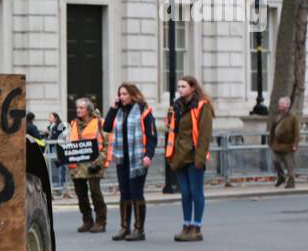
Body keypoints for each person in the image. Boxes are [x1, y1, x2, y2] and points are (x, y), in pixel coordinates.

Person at [103, 84, 157, 242]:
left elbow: (152, 136)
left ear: (133, 95)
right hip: (122, 159)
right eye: (120, 94)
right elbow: (106, 127)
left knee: (136, 193)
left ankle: (139, 229)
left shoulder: (143, 110)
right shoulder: (119, 111)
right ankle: (124, 227)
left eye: (125, 94)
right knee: (124, 193)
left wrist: (149, 155)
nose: (121, 97)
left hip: (138, 158)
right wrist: (113, 108)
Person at [166, 75, 215, 242]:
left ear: (193, 88)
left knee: (196, 192)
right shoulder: (177, 106)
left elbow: (204, 135)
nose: (180, 89)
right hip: (180, 155)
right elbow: (173, 130)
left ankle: (196, 227)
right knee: (185, 193)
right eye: (179, 86)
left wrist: (200, 159)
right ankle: (186, 225)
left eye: (183, 86)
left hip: (194, 156)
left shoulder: (203, 106)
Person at [67, 98, 108, 233]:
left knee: (95, 193)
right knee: (81, 195)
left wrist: (99, 163)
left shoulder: (100, 123)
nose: (78, 110)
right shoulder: (73, 124)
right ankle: (87, 221)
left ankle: (100, 221)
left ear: (89, 110)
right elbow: (69, 145)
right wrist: (65, 159)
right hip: (78, 166)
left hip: (94, 164)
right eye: (77, 108)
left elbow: (107, 146)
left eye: (82, 108)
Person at [268, 96, 299, 189]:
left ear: (287, 105)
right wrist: (270, 141)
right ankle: (281, 177)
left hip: (288, 145)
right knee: (275, 161)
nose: (280, 105)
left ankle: (291, 182)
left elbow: (296, 132)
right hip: (277, 145)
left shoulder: (293, 117)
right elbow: (272, 129)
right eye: (280, 103)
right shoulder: (277, 115)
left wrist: (295, 144)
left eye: (282, 103)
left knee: (289, 165)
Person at [45, 111, 68, 190]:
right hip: (52, 148)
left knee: (60, 166)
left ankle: (61, 184)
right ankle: (55, 184)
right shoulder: (50, 127)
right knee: (53, 166)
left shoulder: (60, 125)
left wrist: (51, 135)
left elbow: (60, 136)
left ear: (55, 118)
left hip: (59, 148)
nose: (48, 119)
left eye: (50, 117)